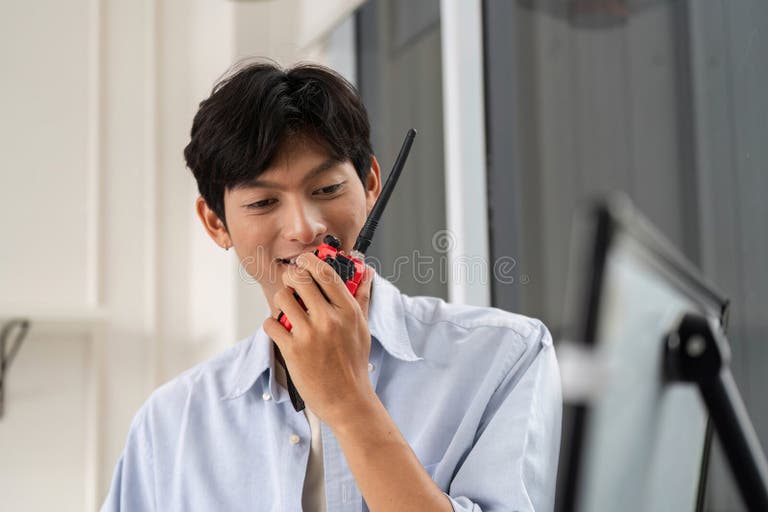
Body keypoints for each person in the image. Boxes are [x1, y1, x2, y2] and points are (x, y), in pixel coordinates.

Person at [101, 60, 562, 511]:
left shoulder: (505, 356)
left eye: (325, 190)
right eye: (263, 202)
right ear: (215, 223)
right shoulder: (169, 425)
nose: (304, 228)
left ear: (371, 185)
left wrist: (348, 401)